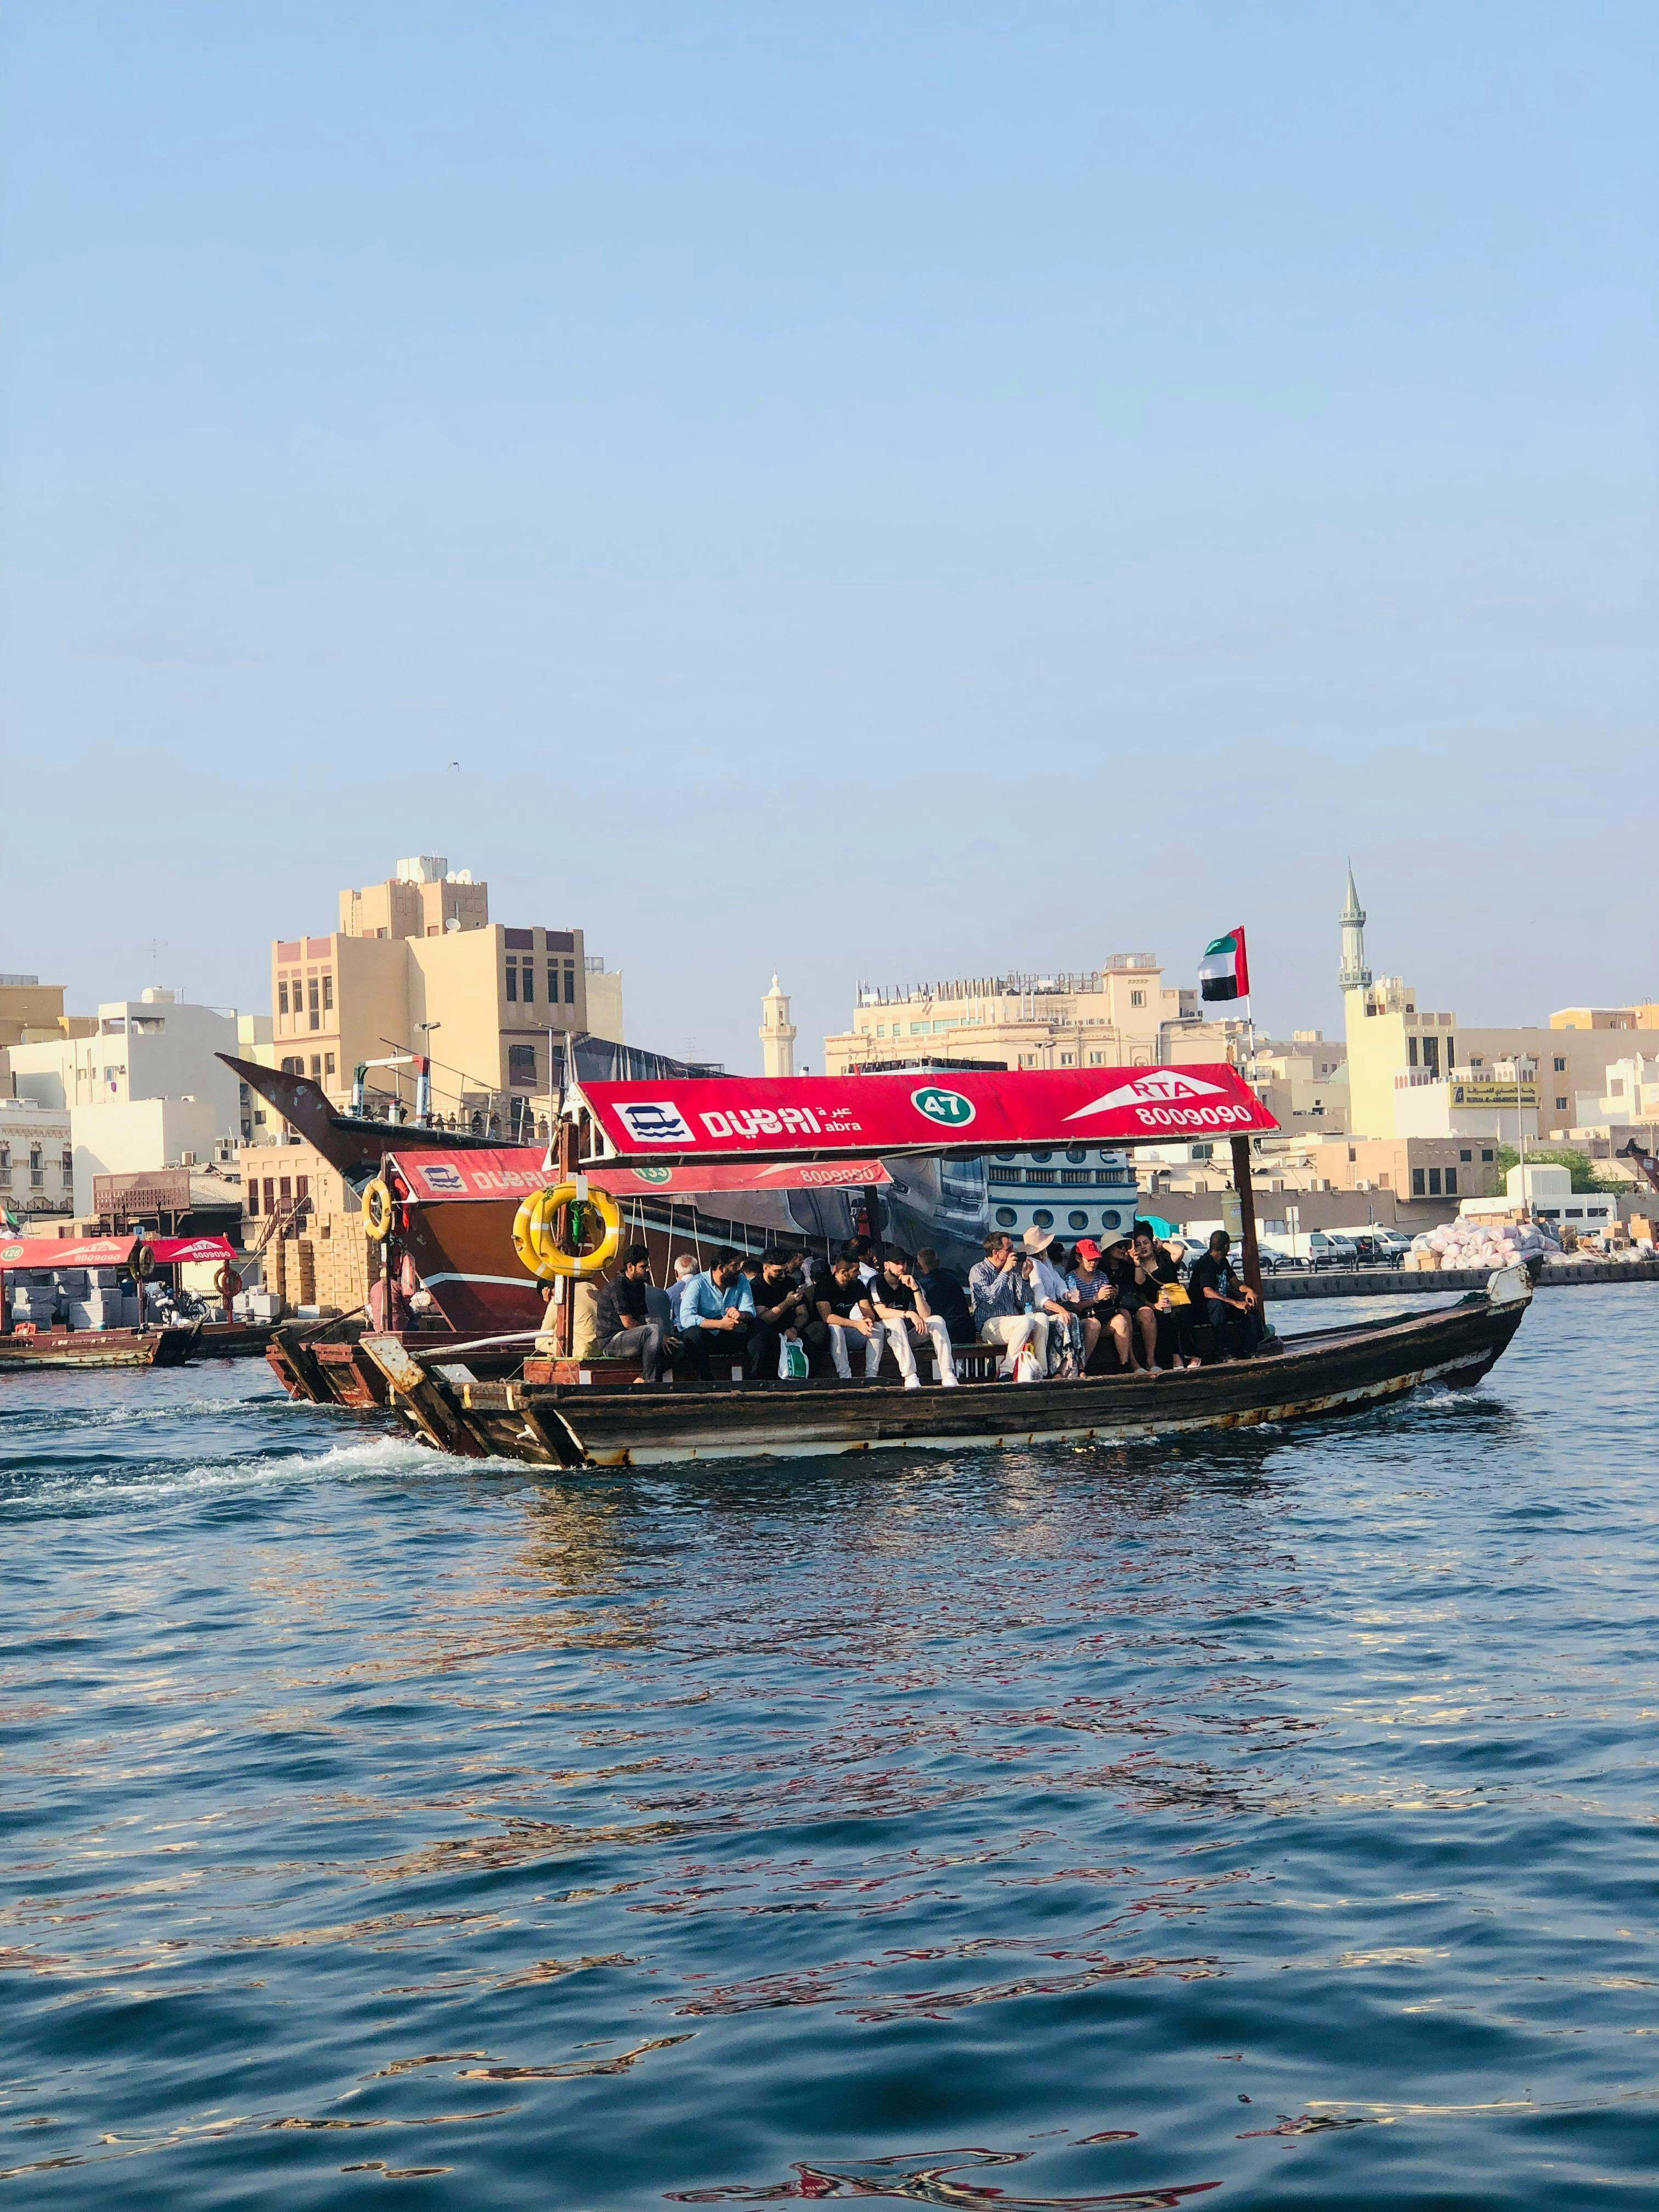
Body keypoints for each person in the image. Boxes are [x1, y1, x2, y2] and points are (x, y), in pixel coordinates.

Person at [869, 1251, 959, 1389]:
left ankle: (948, 1374)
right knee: (896, 1321)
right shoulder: (877, 1282)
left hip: (910, 1334)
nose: (901, 1267)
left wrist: (915, 1289)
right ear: (886, 1265)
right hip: (888, 1336)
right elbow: (881, 1312)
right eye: (897, 1264)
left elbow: (926, 1314)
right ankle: (910, 1375)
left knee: (938, 1321)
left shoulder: (911, 1282)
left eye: (903, 1263)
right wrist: (909, 1314)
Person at [592, 1244, 678, 1383]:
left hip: (633, 1338)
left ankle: (643, 1378)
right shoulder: (617, 1286)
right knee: (654, 1330)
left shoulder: (639, 1286)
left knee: (677, 1345)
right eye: (643, 1267)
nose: (647, 1270)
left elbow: (642, 1319)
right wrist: (657, 1337)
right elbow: (628, 1323)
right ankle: (651, 1381)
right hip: (612, 1341)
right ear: (630, 1267)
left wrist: (662, 1339)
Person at [968, 1233, 1047, 1379]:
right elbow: (989, 1298)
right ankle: (1006, 1371)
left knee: (1041, 1318)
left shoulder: (1013, 1270)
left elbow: (1024, 1303)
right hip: (990, 1324)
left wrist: (1024, 1278)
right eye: (1009, 1249)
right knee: (1024, 1321)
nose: (1014, 1252)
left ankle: (1041, 1371)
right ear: (996, 1253)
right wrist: (1004, 1272)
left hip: (1015, 1323)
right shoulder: (978, 1271)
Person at [675, 1252, 757, 1379]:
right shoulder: (698, 1283)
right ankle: (706, 1380)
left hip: (732, 1333)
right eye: (734, 1266)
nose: (739, 1270)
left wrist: (741, 1314)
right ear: (721, 1268)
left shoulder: (741, 1279)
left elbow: (750, 1309)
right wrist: (720, 1324)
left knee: (759, 1328)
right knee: (693, 1334)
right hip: (707, 1337)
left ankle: (754, 1378)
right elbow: (686, 1318)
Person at [1188, 1230, 1261, 1360]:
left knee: (1249, 1308)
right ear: (1226, 1246)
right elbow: (1207, 1292)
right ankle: (1222, 1352)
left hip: (1222, 1304)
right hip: (1203, 1309)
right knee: (1218, 1305)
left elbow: (1235, 1282)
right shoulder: (1205, 1263)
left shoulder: (1223, 1262)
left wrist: (1249, 1291)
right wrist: (1234, 1303)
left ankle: (1250, 1349)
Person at [813, 1251, 886, 1379]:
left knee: (877, 1328)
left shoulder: (857, 1285)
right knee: (835, 1328)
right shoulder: (824, 1285)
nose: (860, 1274)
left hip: (846, 1331)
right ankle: (845, 1376)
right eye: (856, 1271)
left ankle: (871, 1375)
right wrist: (857, 1324)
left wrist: (868, 1320)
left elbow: (866, 1308)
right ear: (843, 1272)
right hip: (825, 1335)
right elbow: (827, 1317)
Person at [1022, 1228, 1083, 1376]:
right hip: (1038, 1310)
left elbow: (1058, 1281)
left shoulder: (1046, 1262)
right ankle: (1057, 1368)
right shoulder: (1033, 1265)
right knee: (1063, 1319)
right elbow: (1040, 1298)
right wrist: (1060, 1309)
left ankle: (1077, 1365)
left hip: (1052, 1307)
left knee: (1073, 1318)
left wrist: (1066, 1294)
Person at [747, 1248, 814, 1380]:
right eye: (778, 1272)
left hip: (791, 1330)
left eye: (785, 1271)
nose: (783, 1276)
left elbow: (803, 1313)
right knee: (764, 1333)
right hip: (770, 1332)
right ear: (766, 1268)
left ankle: (808, 1377)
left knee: (818, 1329)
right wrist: (787, 1303)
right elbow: (763, 1319)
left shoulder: (789, 1283)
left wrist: (795, 1328)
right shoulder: (756, 1286)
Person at [1065, 1237, 1119, 1372]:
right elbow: (1074, 1307)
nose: (1093, 1263)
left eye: (1096, 1259)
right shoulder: (1071, 1279)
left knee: (1122, 1320)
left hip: (1101, 1316)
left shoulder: (1102, 1276)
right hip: (1083, 1320)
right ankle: (1082, 1366)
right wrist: (1095, 1299)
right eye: (1090, 1259)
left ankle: (1124, 1365)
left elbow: (1107, 1303)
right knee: (1093, 1325)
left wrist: (1112, 1296)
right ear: (1079, 1259)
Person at [912, 1246, 973, 1351]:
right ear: (939, 1262)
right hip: (965, 1331)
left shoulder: (919, 1287)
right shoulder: (953, 1279)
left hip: (940, 1335)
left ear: (918, 1266)